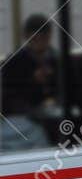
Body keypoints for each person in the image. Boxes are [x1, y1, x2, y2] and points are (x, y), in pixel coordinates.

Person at [1, 15, 58, 151]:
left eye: (45, 38)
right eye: (36, 38)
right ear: (28, 37)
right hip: (25, 117)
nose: (41, 43)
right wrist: (33, 82)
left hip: (55, 113)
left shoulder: (57, 59)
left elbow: (68, 87)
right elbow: (9, 98)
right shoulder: (15, 62)